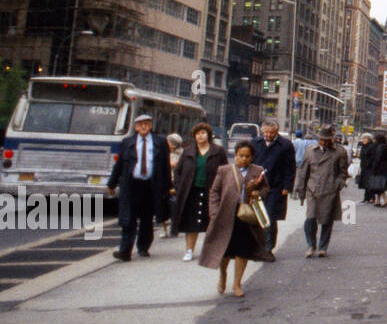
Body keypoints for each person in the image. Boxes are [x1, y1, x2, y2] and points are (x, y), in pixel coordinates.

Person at [199, 140, 273, 296]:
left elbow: (266, 188)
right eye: (241, 156)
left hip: (246, 217)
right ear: (235, 155)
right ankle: (222, 275)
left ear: (252, 157)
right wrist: (213, 212)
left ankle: (237, 284)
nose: (244, 159)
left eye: (247, 156)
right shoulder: (224, 170)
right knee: (225, 251)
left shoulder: (258, 171)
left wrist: (258, 193)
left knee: (242, 251)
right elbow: (214, 191)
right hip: (226, 216)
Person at [106, 114, 172, 262]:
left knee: (147, 219)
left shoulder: (160, 142)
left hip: (151, 186)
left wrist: (168, 187)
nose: (143, 127)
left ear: (151, 126)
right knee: (128, 219)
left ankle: (143, 247)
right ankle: (125, 251)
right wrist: (112, 183)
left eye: (146, 124)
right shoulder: (127, 142)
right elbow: (119, 165)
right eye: (140, 124)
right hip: (131, 185)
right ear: (135, 127)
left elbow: (165, 166)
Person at [172, 123, 228, 260]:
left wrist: (222, 189)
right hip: (191, 192)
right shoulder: (188, 151)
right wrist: (179, 186)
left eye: (203, 133)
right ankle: (189, 250)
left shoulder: (218, 151)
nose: (200, 136)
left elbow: (225, 171)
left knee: (212, 222)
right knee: (191, 223)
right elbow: (178, 171)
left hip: (211, 192)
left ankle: (212, 251)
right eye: (198, 134)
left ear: (209, 135)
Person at [294, 124, 349, 258]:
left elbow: (343, 172)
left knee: (326, 219)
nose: (324, 142)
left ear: (332, 139)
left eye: (327, 139)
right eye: (321, 139)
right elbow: (303, 172)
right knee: (310, 218)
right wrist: (300, 189)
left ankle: (323, 247)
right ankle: (311, 245)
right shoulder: (310, 151)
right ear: (318, 138)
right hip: (313, 189)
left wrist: (338, 184)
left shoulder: (339, 152)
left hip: (330, 190)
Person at [253, 119, 296, 254]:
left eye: (271, 133)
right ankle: (258, 245)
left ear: (276, 131)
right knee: (257, 217)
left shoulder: (285, 145)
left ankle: (269, 247)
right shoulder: (255, 143)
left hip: (276, 186)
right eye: (265, 132)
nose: (268, 135)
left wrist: (287, 186)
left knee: (270, 217)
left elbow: (290, 167)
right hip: (258, 186)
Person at [364, 133, 387, 207]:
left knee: (378, 185)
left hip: (378, 169)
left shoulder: (378, 147)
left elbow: (377, 158)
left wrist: (374, 166)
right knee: (380, 185)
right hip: (385, 168)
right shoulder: (386, 146)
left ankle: (385, 199)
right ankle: (378, 201)